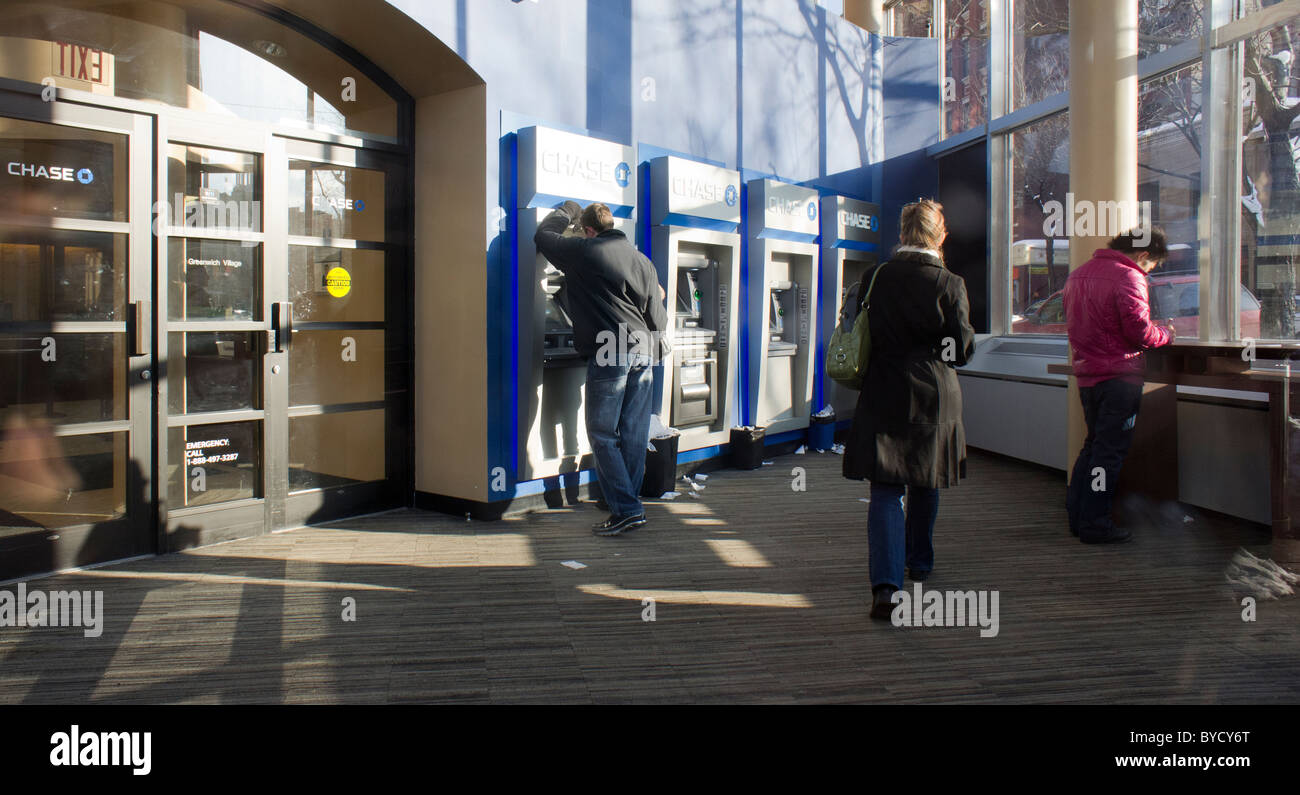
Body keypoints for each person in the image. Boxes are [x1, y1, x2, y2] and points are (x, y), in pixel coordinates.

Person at [842, 199, 975, 621]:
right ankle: (919, 561)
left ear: (902, 234)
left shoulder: (874, 277)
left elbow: (855, 327)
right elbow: (962, 350)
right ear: (940, 236)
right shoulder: (949, 283)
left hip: (883, 389)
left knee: (884, 489)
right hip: (933, 394)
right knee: (925, 478)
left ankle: (885, 587)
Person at [534, 200, 669, 536]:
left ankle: (626, 509)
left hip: (611, 350)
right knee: (633, 433)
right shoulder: (641, 260)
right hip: (644, 350)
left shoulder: (585, 251)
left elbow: (543, 236)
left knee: (602, 433)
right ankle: (624, 500)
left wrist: (566, 212)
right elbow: (658, 316)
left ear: (590, 230)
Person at [1063, 228, 1176, 544]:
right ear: (1143, 255)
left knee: (1093, 446)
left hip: (1088, 376)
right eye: (1151, 266)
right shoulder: (1129, 277)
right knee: (1109, 454)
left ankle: (1078, 514)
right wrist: (1166, 334)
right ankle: (1096, 523)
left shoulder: (1078, 274)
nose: (1148, 272)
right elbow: (1140, 332)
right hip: (1119, 377)